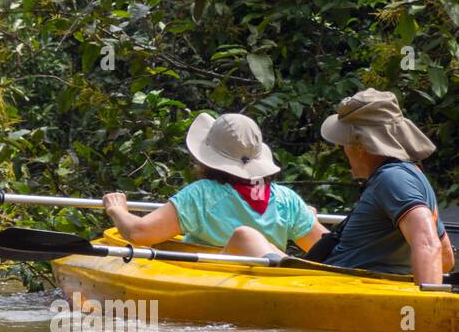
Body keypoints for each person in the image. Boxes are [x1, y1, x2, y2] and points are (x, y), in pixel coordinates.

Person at [102, 112, 326, 256]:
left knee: (244, 236)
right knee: (250, 238)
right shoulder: (288, 200)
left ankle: (274, 259)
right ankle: (278, 259)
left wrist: (117, 210)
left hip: (221, 279)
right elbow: (326, 251)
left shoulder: (202, 195)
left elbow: (139, 234)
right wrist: (309, 220)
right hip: (268, 280)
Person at [307, 89, 453, 284]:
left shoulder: (393, 179)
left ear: (360, 145)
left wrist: (424, 310)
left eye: (345, 143)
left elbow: (427, 243)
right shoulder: (412, 176)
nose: (344, 150)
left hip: (346, 296)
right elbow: (445, 258)